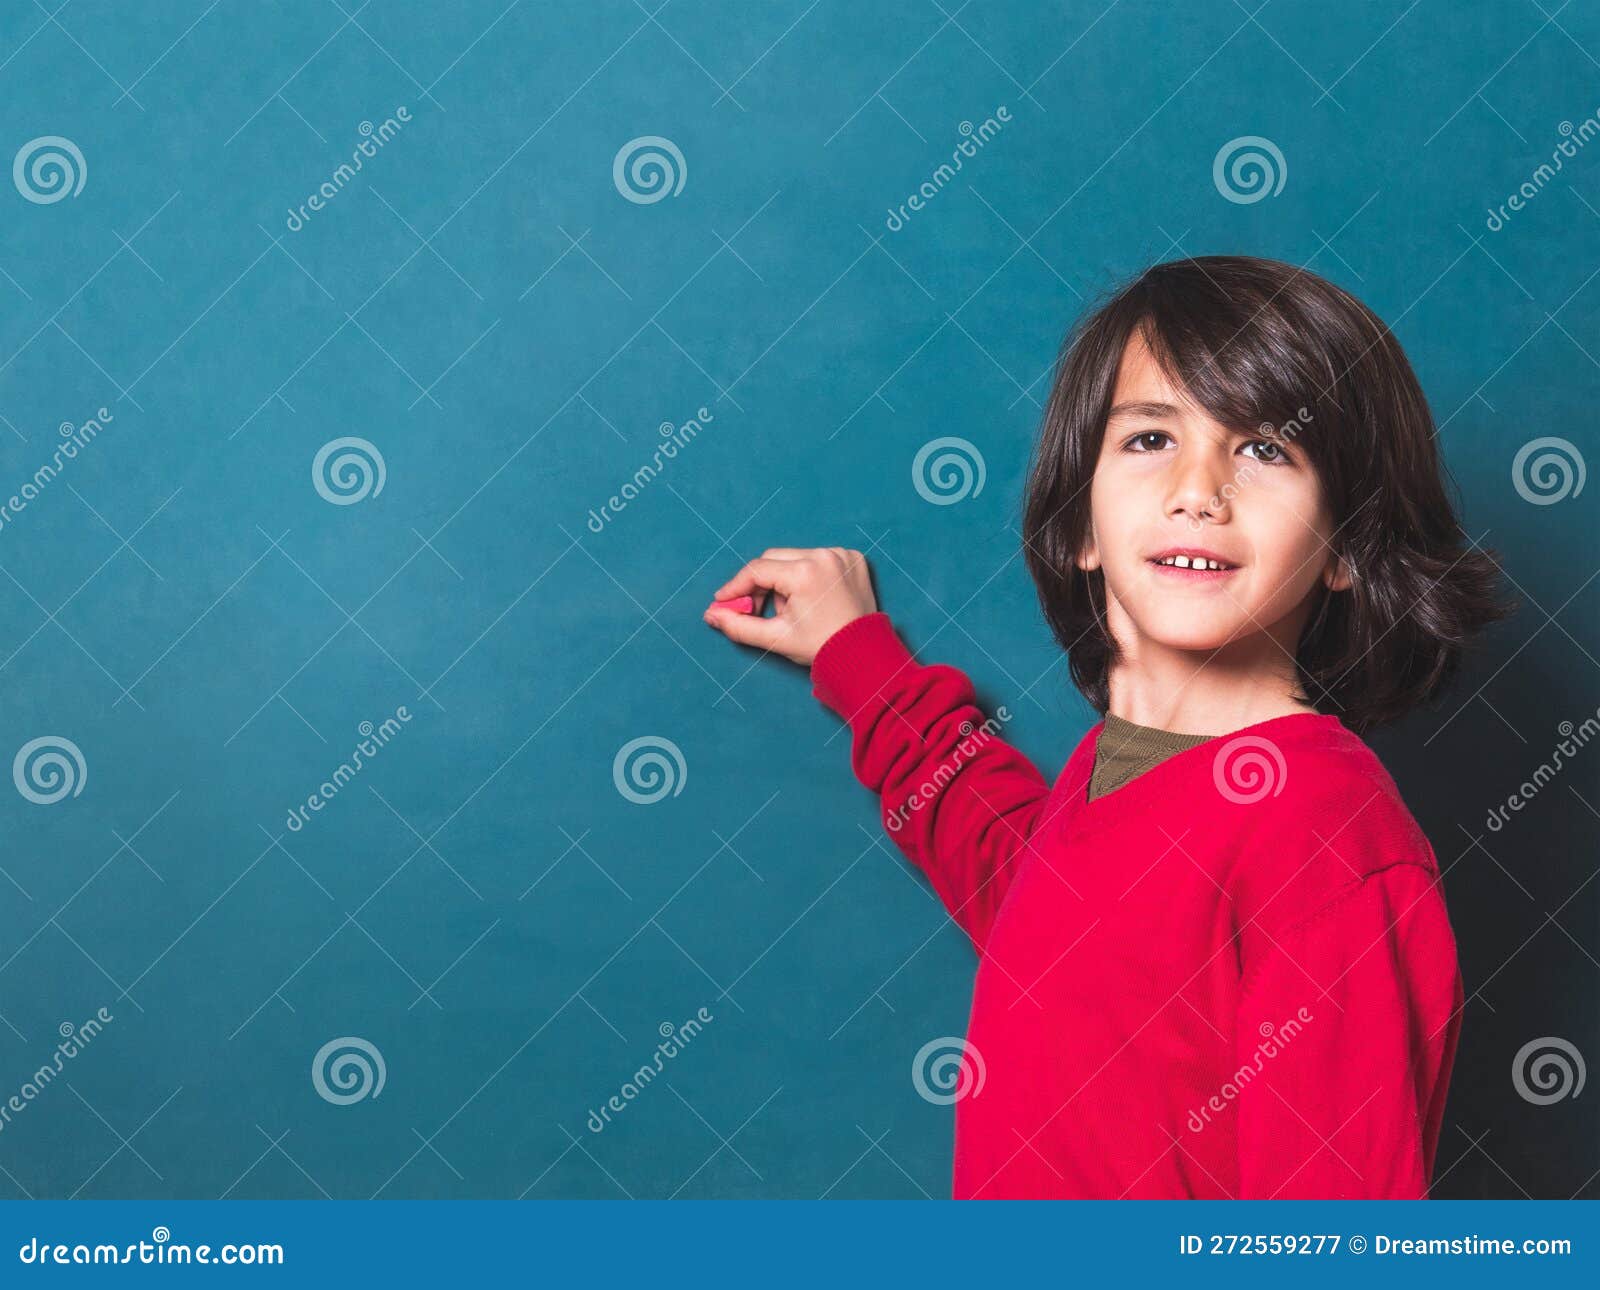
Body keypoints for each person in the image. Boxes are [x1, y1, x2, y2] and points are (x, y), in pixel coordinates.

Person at [702, 256, 1515, 1199]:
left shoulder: (1324, 831)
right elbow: (1033, 896)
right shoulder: (1107, 780)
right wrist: (859, 657)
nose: (1198, 488)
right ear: (1079, 527)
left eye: (1264, 450)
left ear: (1345, 550)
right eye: (1150, 439)